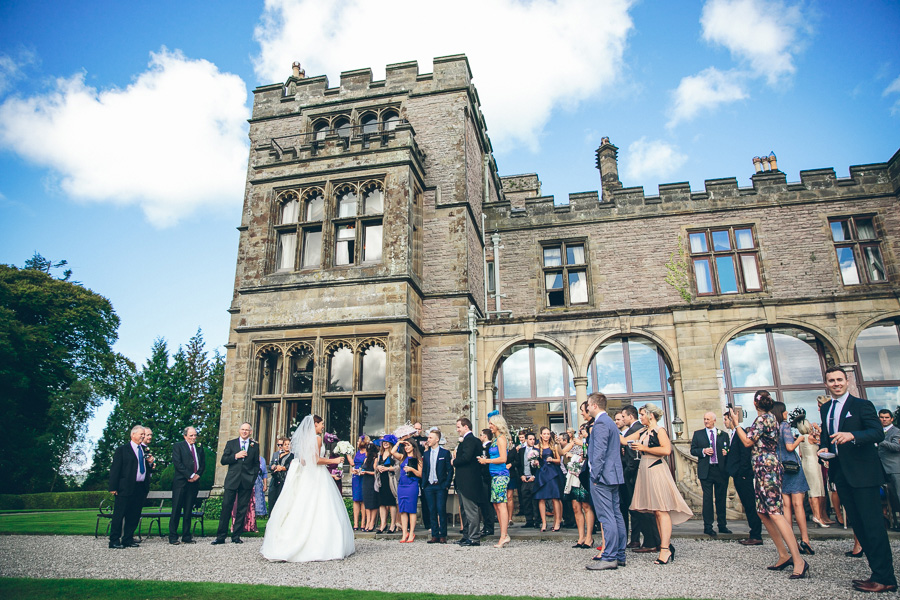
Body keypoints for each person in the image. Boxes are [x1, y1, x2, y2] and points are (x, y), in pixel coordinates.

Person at [818, 366, 896, 593]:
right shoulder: (825, 409)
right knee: (859, 527)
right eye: (831, 380)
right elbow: (827, 435)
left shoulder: (862, 406)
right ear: (827, 383)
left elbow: (877, 433)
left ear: (847, 380)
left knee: (872, 527)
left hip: (864, 475)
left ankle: (886, 578)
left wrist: (853, 435)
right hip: (841, 474)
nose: (836, 383)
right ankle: (877, 574)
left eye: (839, 379)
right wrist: (823, 448)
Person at [728, 392, 807, 579]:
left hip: (767, 469)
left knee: (775, 514)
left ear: (756, 405)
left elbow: (747, 441)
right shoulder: (770, 418)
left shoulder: (763, 419)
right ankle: (783, 554)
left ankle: (799, 560)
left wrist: (736, 424)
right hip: (762, 469)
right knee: (763, 512)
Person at [260, 415, 354, 561]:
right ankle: (322, 545)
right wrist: (334, 460)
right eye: (321, 424)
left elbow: (303, 461)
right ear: (315, 424)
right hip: (317, 476)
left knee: (305, 506)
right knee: (322, 507)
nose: (323, 426)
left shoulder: (305, 440)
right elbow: (315, 460)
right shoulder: (316, 439)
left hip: (308, 476)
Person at [625, 403, 692, 565]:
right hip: (645, 470)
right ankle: (665, 546)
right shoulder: (643, 431)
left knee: (661, 510)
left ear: (650, 415)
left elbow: (666, 450)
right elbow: (623, 440)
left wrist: (643, 448)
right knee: (656, 511)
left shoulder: (659, 431)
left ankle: (664, 549)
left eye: (642, 415)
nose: (640, 418)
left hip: (656, 470)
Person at [584, 392, 626, 571]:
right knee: (616, 514)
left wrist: (594, 475)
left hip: (602, 478)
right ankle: (620, 554)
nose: (586, 408)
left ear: (594, 405)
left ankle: (609, 557)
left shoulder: (601, 423)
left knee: (606, 516)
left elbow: (599, 453)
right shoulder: (610, 422)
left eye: (587, 405)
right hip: (613, 475)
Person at [772, 402, 813, 555]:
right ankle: (805, 540)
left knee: (786, 506)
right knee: (798, 504)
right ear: (781, 412)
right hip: (792, 466)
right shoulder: (784, 426)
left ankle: (792, 542)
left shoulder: (773, 427)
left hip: (780, 467)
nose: (787, 413)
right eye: (784, 411)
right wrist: (800, 439)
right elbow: (790, 447)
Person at [212, 422, 260, 545]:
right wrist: (235, 456)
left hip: (246, 481)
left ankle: (236, 536)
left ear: (250, 432)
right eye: (242, 429)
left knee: (242, 509)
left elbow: (256, 464)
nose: (244, 432)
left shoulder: (254, 446)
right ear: (239, 431)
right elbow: (223, 460)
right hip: (232, 480)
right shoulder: (231, 443)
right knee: (226, 507)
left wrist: (252, 478)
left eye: (247, 430)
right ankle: (221, 536)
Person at [108, 425, 153, 549]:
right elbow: (115, 469)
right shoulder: (122, 450)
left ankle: (128, 538)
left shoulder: (144, 450)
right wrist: (113, 487)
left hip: (140, 487)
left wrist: (150, 464)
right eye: (141, 435)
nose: (143, 437)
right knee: (119, 514)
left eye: (144, 435)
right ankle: (114, 540)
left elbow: (144, 468)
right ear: (133, 435)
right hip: (125, 487)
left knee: (134, 515)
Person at [723, 410, 763, 546]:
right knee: (747, 504)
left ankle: (756, 534)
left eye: (726, 420)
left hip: (743, 475)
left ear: (733, 420)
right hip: (738, 474)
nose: (725, 423)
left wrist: (743, 473)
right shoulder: (733, 435)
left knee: (750, 504)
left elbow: (746, 455)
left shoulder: (742, 434)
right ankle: (754, 533)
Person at [690, 412, 731, 537]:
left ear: (714, 420)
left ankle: (722, 525)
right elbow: (692, 450)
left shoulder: (723, 435)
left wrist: (726, 452)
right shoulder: (698, 434)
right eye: (704, 419)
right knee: (707, 499)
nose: (706, 421)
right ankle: (708, 526)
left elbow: (729, 449)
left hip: (720, 470)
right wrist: (703, 451)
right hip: (706, 470)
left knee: (721, 498)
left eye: (708, 419)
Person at [477, 412, 512, 548]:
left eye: (492, 424)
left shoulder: (501, 439)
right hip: (495, 475)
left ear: (498, 425)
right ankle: (503, 534)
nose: (490, 426)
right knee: (497, 505)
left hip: (501, 475)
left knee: (501, 504)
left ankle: (504, 535)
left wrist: (486, 461)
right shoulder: (496, 439)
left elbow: (503, 458)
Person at [168, 426, 205, 545]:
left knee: (188, 510)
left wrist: (197, 475)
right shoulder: (178, 446)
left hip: (194, 483)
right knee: (176, 510)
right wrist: (190, 475)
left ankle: (186, 535)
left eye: (195, 435)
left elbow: (202, 464)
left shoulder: (199, 448)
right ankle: (173, 536)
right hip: (181, 482)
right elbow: (178, 464)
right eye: (191, 436)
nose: (194, 438)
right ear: (185, 436)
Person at [453, 417, 487, 546]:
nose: (457, 430)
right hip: (463, 481)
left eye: (458, 427)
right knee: (464, 511)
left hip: (469, 481)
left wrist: (454, 461)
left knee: (471, 510)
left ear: (466, 427)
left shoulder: (470, 440)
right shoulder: (470, 440)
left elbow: (466, 458)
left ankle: (474, 538)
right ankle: (466, 535)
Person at [794, 411, 829, 527]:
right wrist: (818, 429)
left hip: (806, 463)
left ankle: (819, 516)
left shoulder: (802, 438)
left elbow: (800, 454)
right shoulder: (810, 437)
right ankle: (817, 516)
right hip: (813, 463)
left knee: (814, 489)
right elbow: (823, 441)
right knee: (815, 490)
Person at [565, 422, 595, 549]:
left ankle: (589, 537)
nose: (581, 433)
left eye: (583, 430)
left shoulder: (589, 442)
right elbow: (564, 454)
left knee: (586, 506)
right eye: (580, 430)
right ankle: (581, 536)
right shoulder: (574, 443)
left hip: (584, 474)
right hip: (573, 475)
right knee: (576, 507)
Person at [422, 428, 453, 543]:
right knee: (432, 510)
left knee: (441, 509)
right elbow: (425, 470)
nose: (428, 440)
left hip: (440, 486)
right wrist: (424, 485)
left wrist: (446, 484)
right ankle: (434, 534)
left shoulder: (444, 453)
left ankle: (443, 534)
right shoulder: (426, 454)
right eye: (428, 437)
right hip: (429, 486)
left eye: (430, 438)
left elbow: (450, 470)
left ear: (437, 440)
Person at [392, 437, 422, 542]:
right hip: (402, 486)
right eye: (405, 446)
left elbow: (420, 474)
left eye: (408, 445)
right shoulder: (402, 458)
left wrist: (412, 469)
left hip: (412, 485)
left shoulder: (417, 459)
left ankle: (411, 533)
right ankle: (404, 533)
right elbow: (392, 452)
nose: (406, 447)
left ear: (413, 447)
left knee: (411, 510)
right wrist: (399, 442)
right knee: (403, 510)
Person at [533, 426, 563, 532]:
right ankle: (544, 523)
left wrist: (552, 459)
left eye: (548, 434)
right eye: (544, 434)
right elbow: (533, 461)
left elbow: (559, 461)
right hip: (541, 474)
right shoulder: (536, 447)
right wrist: (535, 462)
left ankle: (557, 522)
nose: (546, 435)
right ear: (541, 435)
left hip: (552, 473)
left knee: (555, 497)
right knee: (541, 498)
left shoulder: (554, 446)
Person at [879, 409, 900, 526]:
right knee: (891, 497)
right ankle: (894, 522)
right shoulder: (878, 431)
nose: (884, 419)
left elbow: (897, 447)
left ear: (891, 419)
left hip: (895, 468)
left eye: (886, 417)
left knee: (899, 494)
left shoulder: (896, 431)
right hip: (882, 469)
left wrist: (881, 440)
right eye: (882, 417)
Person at [375, 435, 400, 533]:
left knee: (391, 503)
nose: (385, 443)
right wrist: (378, 468)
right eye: (383, 442)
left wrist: (388, 468)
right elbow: (376, 466)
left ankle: (392, 524)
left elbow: (398, 467)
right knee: (381, 503)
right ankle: (383, 524)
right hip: (381, 480)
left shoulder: (394, 454)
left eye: (387, 442)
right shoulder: (379, 454)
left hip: (390, 479)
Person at [518, 431, 539, 528]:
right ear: (526, 440)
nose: (532, 441)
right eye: (530, 439)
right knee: (525, 499)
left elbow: (540, 465)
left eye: (534, 439)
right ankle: (529, 520)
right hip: (524, 478)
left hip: (533, 478)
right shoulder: (521, 451)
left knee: (535, 500)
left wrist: (534, 476)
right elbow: (519, 464)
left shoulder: (537, 450)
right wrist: (521, 475)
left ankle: (537, 520)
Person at [269, 437, 293, 513]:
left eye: (288, 444)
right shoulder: (277, 454)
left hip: (284, 478)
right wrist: (274, 467)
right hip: (275, 478)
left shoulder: (292, 455)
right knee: (272, 498)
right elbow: (271, 464)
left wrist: (283, 468)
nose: (286, 446)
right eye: (285, 444)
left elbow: (291, 466)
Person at [350, 435, 369, 530]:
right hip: (356, 477)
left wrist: (360, 470)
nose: (357, 443)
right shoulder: (357, 452)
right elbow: (353, 463)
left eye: (358, 441)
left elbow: (366, 464)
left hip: (363, 476)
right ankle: (355, 523)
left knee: (363, 500)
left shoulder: (367, 453)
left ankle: (363, 523)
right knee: (356, 499)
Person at [360, 442, 379, 531]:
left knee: (373, 502)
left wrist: (367, 472)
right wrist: (358, 471)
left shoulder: (375, 459)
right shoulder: (365, 460)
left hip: (372, 482)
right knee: (367, 502)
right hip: (365, 482)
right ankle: (368, 521)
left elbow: (376, 472)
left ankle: (372, 522)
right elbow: (362, 469)